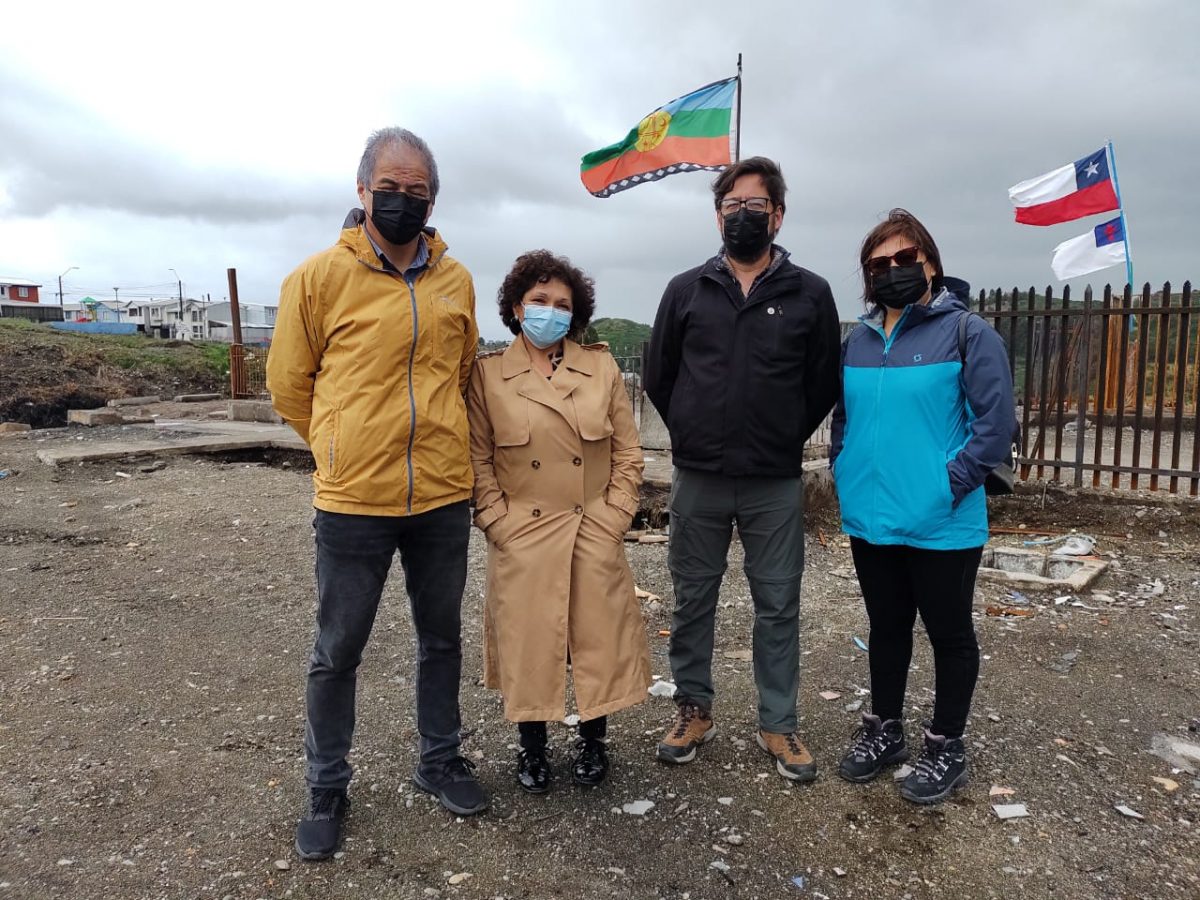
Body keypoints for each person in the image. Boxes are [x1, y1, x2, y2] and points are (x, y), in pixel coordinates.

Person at [267, 127, 486, 861]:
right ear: (362, 191)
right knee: (338, 649)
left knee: (442, 638)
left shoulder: (455, 282)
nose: (403, 201)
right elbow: (289, 386)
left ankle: (439, 760)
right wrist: (339, 444)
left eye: (418, 192)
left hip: (441, 498)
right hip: (353, 502)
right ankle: (326, 785)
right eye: (390, 188)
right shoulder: (317, 279)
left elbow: (458, 376)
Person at [643, 156, 841, 783]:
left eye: (755, 206)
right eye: (732, 206)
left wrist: (779, 435)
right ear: (717, 214)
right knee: (693, 596)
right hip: (699, 476)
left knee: (778, 602)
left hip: (774, 479)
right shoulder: (685, 289)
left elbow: (821, 384)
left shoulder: (810, 293)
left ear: (778, 215)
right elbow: (659, 376)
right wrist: (695, 432)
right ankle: (693, 710)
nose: (743, 216)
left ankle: (778, 723)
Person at [830, 208, 1015, 804]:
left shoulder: (968, 333)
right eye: (878, 264)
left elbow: (995, 425)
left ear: (930, 263)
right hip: (872, 517)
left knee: (949, 634)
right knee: (886, 628)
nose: (892, 271)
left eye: (904, 259)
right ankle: (886, 731)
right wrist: (844, 467)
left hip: (942, 520)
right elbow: (844, 418)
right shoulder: (857, 339)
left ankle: (946, 745)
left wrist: (948, 483)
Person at [467, 250, 650, 793]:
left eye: (563, 304)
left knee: (595, 641)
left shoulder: (600, 368)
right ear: (517, 308)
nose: (552, 311)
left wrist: (615, 515)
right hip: (523, 532)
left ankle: (594, 742)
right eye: (540, 300)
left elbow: (628, 452)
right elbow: (476, 459)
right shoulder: (489, 375)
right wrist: (498, 522)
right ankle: (532, 747)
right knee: (530, 640)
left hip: (591, 525)